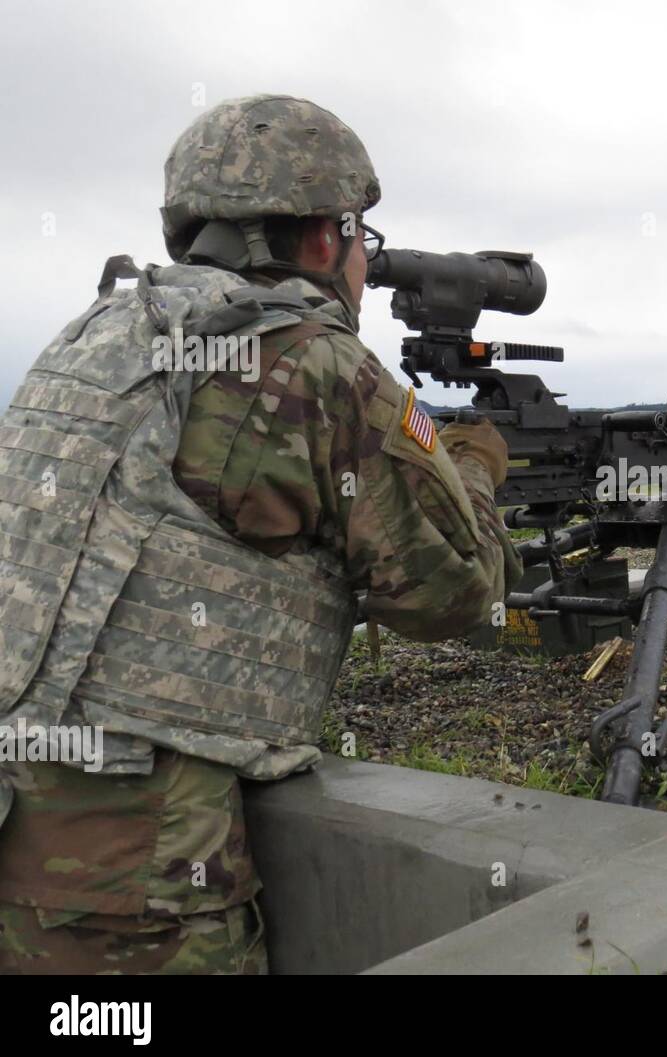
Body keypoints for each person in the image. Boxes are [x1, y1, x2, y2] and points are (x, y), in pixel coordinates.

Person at [0, 94, 522, 974]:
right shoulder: (315, 364)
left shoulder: (91, 332)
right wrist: (473, 466)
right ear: (326, 237)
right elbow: (455, 593)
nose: (364, 264)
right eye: (364, 241)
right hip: (135, 881)